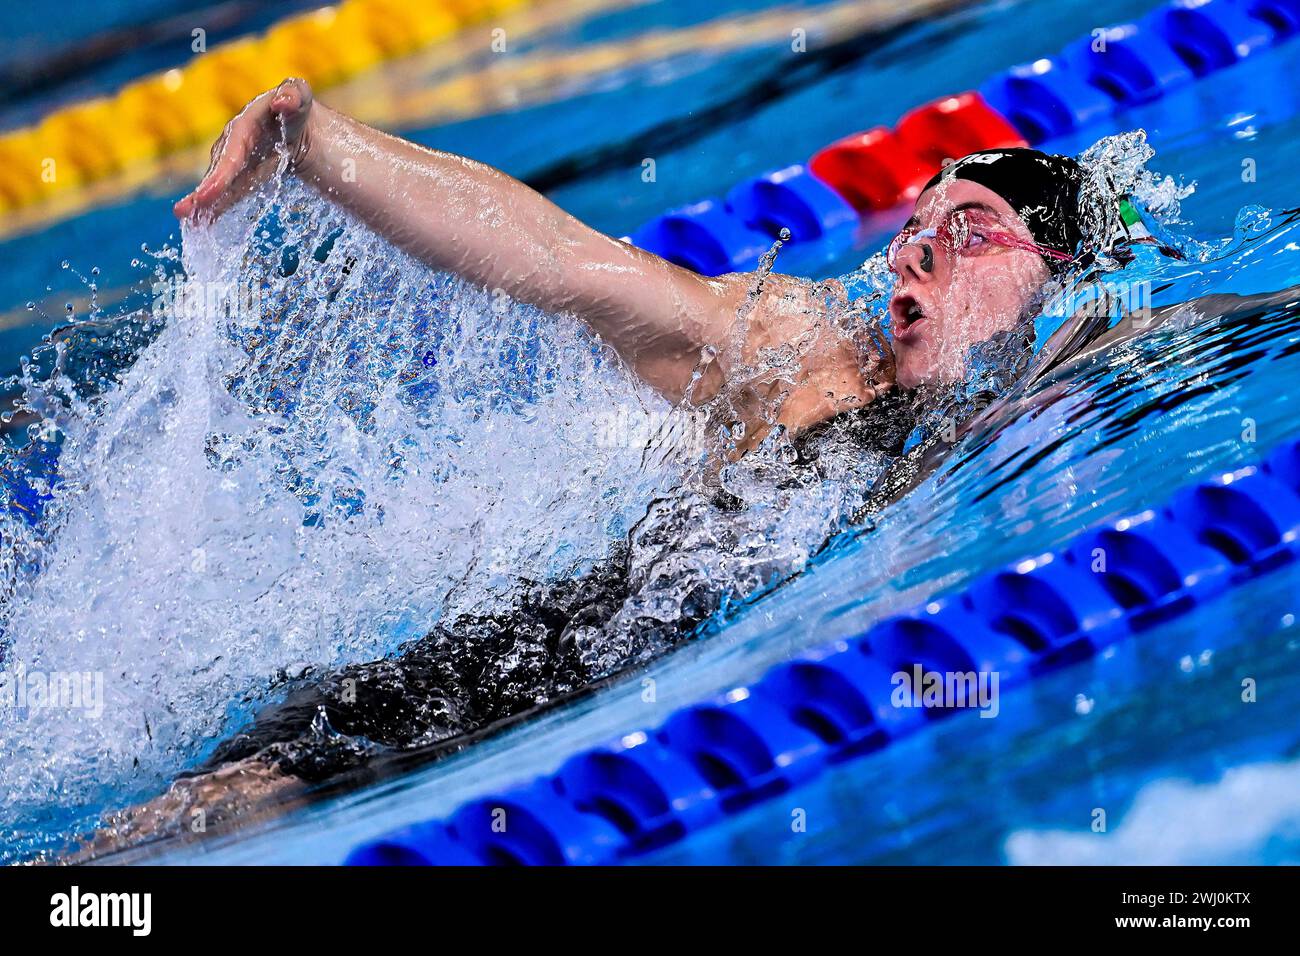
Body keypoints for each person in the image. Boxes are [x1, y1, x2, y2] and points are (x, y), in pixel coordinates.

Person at [76, 78, 1125, 857]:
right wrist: (323, 145)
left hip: (673, 712)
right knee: (191, 823)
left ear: (1063, 280)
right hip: (529, 663)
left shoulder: (1078, 370)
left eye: (973, 232)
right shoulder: (799, 352)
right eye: (916, 227)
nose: (917, 250)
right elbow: (564, 263)